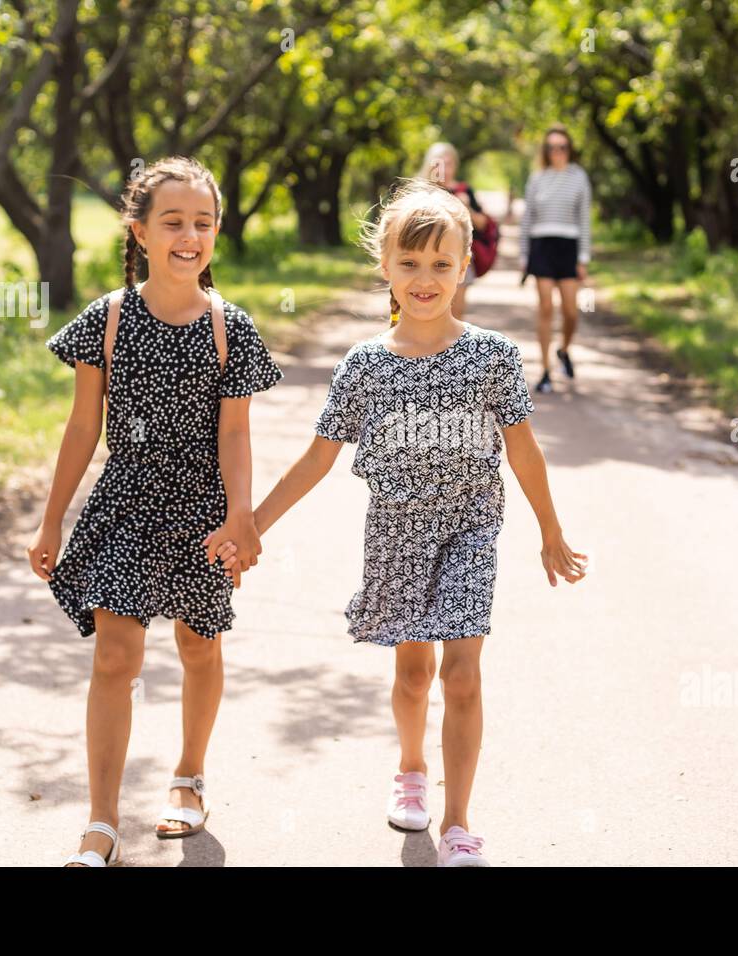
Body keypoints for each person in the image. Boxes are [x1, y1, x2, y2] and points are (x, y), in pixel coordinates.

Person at [205, 178, 589, 866]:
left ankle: (459, 823)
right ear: (384, 266)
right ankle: (411, 768)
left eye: (441, 264)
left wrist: (550, 530)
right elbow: (316, 459)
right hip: (396, 535)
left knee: (463, 673)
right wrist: (252, 524)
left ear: (464, 265)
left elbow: (524, 451)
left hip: (472, 528)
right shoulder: (365, 367)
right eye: (409, 264)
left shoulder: (492, 357)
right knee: (414, 675)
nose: (425, 279)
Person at [26, 156, 283, 866]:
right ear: (139, 231)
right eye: (172, 222)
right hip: (126, 504)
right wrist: (51, 519)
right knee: (116, 653)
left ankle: (189, 776)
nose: (189, 235)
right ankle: (102, 821)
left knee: (199, 645)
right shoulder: (105, 320)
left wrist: (241, 518)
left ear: (216, 233)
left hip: (202, 511)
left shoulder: (231, 327)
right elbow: (82, 428)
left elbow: (235, 433)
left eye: (203, 222)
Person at [518, 124, 592, 394]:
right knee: (546, 307)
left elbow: (584, 219)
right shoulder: (537, 178)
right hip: (542, 246)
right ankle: (546, 370)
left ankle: (564, 349)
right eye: (552, 148)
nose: (557, 152)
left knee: (571, 311)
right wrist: (524, 254)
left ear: (569, 149)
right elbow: (527, 219)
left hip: (569, 247)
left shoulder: (579, 177)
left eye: (562, 147)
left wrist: (583, 257)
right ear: (545, 151)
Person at [419, 142, 490, 321]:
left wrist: (466, 207)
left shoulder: (464, 191)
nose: (444, 169)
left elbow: (482, 224)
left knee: (456, 313)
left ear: (455, 166)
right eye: (439, 163)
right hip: (424, 257)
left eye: (448, 164)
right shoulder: (421, 191)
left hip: (458, 257)